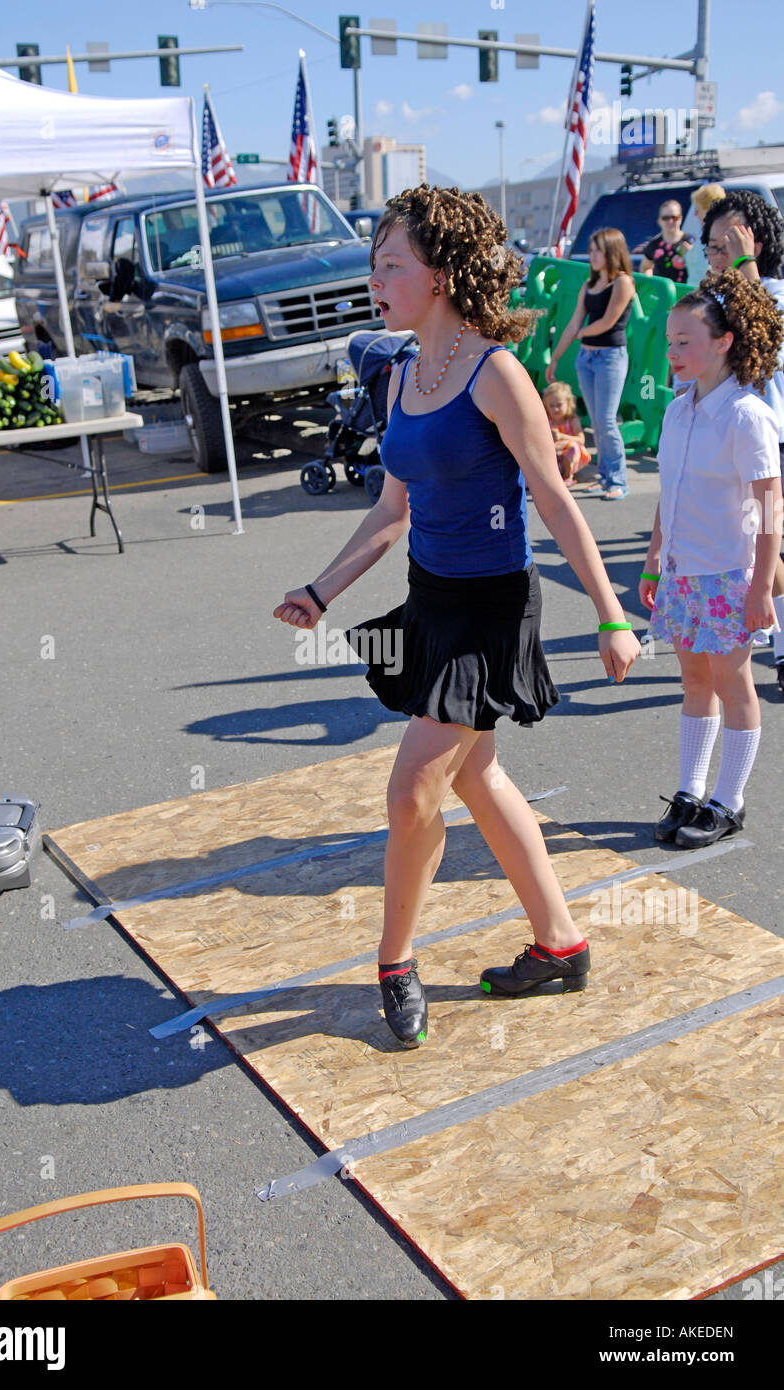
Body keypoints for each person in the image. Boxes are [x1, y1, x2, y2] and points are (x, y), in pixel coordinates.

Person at [274, 185, 640, 1049]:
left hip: (491, 607)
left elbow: (553, 498)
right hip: (432, 597)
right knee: (477, 778)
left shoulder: (493, 371)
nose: (377, 279)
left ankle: (393, 961)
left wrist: (612, 613)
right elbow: (393, 510)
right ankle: (561, 943)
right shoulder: (404, 371)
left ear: (438, 274)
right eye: (375, 263)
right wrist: (323, 590)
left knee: (412, 792)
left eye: (392, 264)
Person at [639, 269, 783, 848]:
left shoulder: (747, 415)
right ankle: (691, 791)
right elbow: (667, 496)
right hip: (681, 572)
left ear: (723, 342)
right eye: (669, 342)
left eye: (684, 343)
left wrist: (759, 589)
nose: (672, 352)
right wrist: (653, 560)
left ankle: (729, 800)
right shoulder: (677, 410)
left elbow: (771, 510)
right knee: (694, 679)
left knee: (732, 680)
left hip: (729, 572)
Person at [702, 188, 784, 695]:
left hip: (773, 445)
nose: (720, 253)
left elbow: (765, 341)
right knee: (758, 548)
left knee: (770, 540)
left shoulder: (773, 290)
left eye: (730, 241)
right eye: (712, 245)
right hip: (730, 450)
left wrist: (746, 266)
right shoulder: (714, 300)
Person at [546, 228, 635, 500]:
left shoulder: (623, 282)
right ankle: (605, 475)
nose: (593, 255)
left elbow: (609, 320)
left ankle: (618, 479)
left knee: (607, 419)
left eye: (598, 250)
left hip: (610, 357)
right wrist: (556, 357)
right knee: (595, 420)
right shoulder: (589, 285)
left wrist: (582, 333)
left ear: (611, 251)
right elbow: (573, 323)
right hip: (586, 358)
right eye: (592, 249)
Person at [542, 381, 591, 486]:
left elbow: (581, 439)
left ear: (568, 403)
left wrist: (561, 436)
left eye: (559, 405)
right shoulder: (546, 420)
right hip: (553, 454)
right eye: (552, 405)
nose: (555, 409)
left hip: (569, 456)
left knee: (572, 447)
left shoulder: (572, 419)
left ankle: (568, 476)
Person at [639, 199, 693, 283]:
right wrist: (650, 282)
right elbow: (645, 267)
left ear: (680, 219)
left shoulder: (690, 241)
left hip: (686, 292)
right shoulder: (654, 244)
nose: (670, 221)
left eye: (674, 217)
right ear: (659, 221)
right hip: (662, 293)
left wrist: (691, 255)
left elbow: (702, 270)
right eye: (665, 218)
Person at [683, 184, 726, 285]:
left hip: (706, 295)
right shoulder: (705, 234)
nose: (695, 214)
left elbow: (711, 270)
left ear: (709, 209)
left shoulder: (718, 236)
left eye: (698, 210)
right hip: (695, 294)